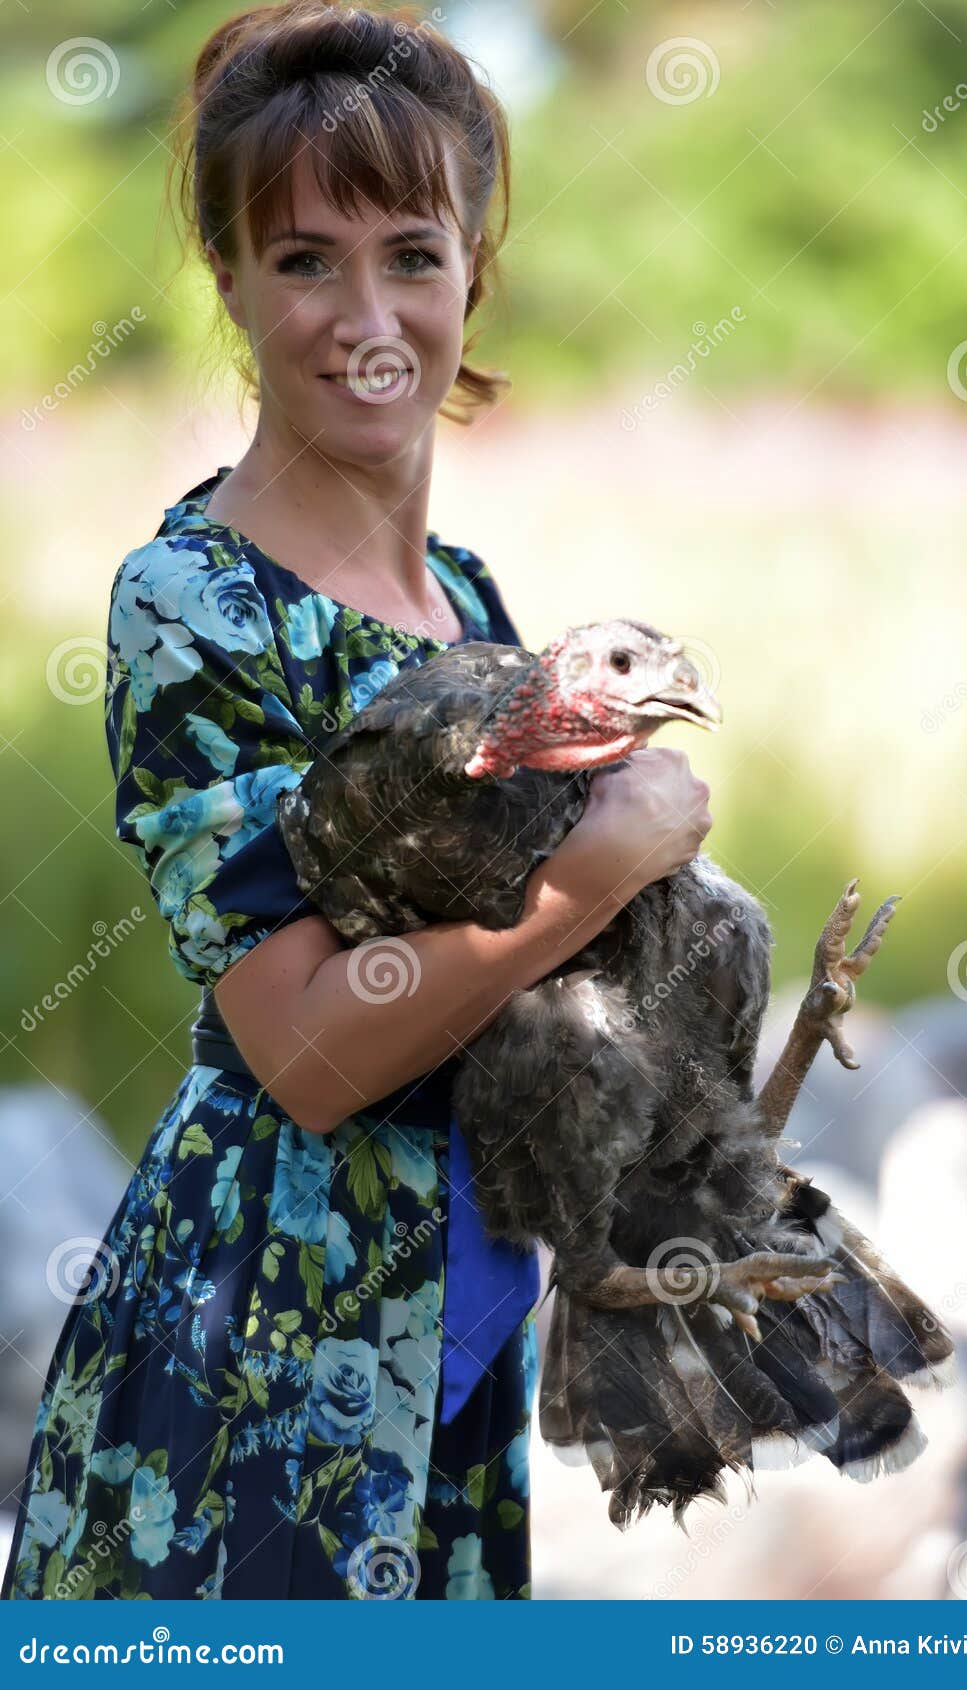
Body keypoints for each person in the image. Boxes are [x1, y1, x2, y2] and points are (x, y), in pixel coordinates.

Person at [1, 2, 712, 1600]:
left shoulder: (471, 603)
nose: (366, 315)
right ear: (230, 281)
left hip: (454, 1350)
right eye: (306, 259)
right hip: (262, 1350)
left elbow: (505, 997)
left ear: (474, 273)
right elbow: (313, 1053)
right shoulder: (194, 603)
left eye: (412, 253)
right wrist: (593, 875)